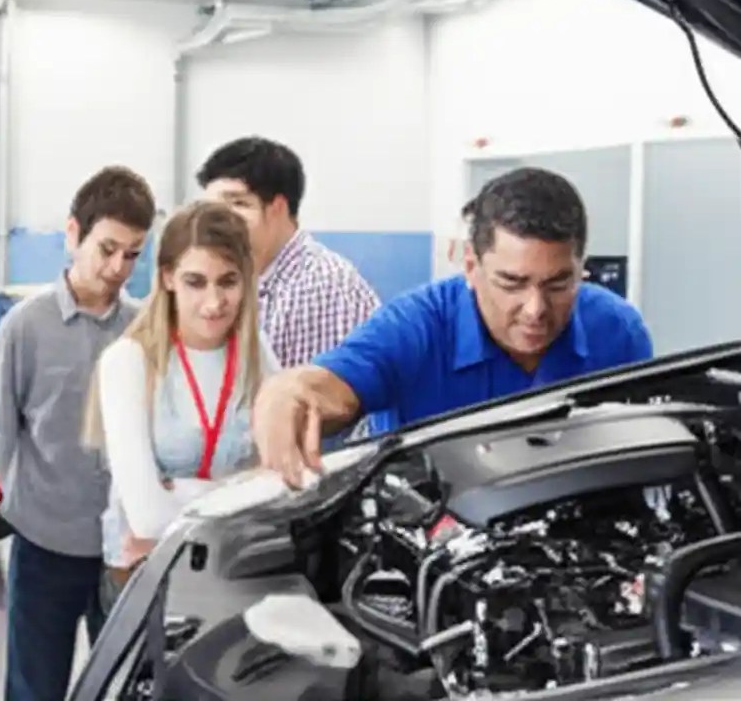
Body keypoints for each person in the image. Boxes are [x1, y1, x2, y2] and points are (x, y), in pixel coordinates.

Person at [252, 167, 655, 488]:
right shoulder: (417, 326)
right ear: (470, 266)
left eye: (558, 284)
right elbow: (333, 384)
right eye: (511, 283)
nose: (535, 309)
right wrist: (287, 392)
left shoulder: (618, 332)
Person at [0, 165, 156, 701]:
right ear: (73, 234)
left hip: (123, 553)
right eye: (106, 248)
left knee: (126, 686)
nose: (117, 267)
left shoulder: (144, 328)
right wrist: (27, 513)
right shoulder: (24, 326)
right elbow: (2, 436)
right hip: (45, 545)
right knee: (34, 688)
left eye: (132, 254)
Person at [82, 200, 278, 613]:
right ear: (168, 277)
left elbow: (281, 487)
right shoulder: (129, 361)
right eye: (195, 282)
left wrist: (186, 490)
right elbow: (146, 517)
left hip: (230, 576)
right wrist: (243, 489)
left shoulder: (257, 356)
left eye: (228, 281)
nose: (213, 302)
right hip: (147, 579)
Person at [197, 136, 380, 370]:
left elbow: (312, 401)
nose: (218, 220)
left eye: (237, 203)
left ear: (278, 208)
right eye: (211, 208)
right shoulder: (248, 277)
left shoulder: (320, 286)